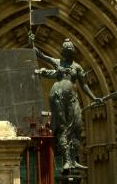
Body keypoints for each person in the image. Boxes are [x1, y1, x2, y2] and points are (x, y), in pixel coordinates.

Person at [31, 35, 102, 170]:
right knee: (63, 128)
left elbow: (84, 85)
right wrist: (32, 42)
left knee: (77, 126)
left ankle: (73, 159)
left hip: (72, 98)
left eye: (71, 51)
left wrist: (94, 97)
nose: (68, 53)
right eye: (66, 51)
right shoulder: (58, 63)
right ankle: (67, 160)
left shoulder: (77, 67)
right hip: (57, 96)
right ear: (63, 53)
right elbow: (41, 55)